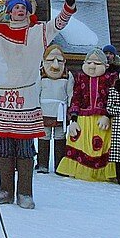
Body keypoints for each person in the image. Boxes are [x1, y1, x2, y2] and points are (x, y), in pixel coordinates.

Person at [0, 0, 77, 209]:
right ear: (9, 12)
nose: (20, 10)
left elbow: (59, 23)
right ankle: (5, 190)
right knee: (4, 147)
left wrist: (69, 6)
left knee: (25, 149)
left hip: (27, 98)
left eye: (23, 7)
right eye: (15, 7)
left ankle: (25, 192)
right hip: (4, 97)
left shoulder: (38, 32)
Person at [57, 47, 116, 182]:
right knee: (81, 144)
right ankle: (77, 169)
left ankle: (102, 173)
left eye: (96, 64)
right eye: (89, 63)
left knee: (100, 146)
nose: (92, 66)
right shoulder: (81, 78)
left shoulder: (110, 78)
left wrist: (108, 115)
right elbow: (76, 98)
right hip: (83, 119)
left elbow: (111, 98)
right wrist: (73, 119)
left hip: (102, 120)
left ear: (105, 65)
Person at [37, 44, 73, 175]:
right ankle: (42, 164)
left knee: (60, 136)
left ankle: (60, 165)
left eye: (59, 60)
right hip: (44, 111)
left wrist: (69, 111)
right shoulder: (40, 75)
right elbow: (36, 93)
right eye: (51, 60)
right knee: (44, 136)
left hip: (60, 112)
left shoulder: (67, 76)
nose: (55, 65)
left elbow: (70, 94)